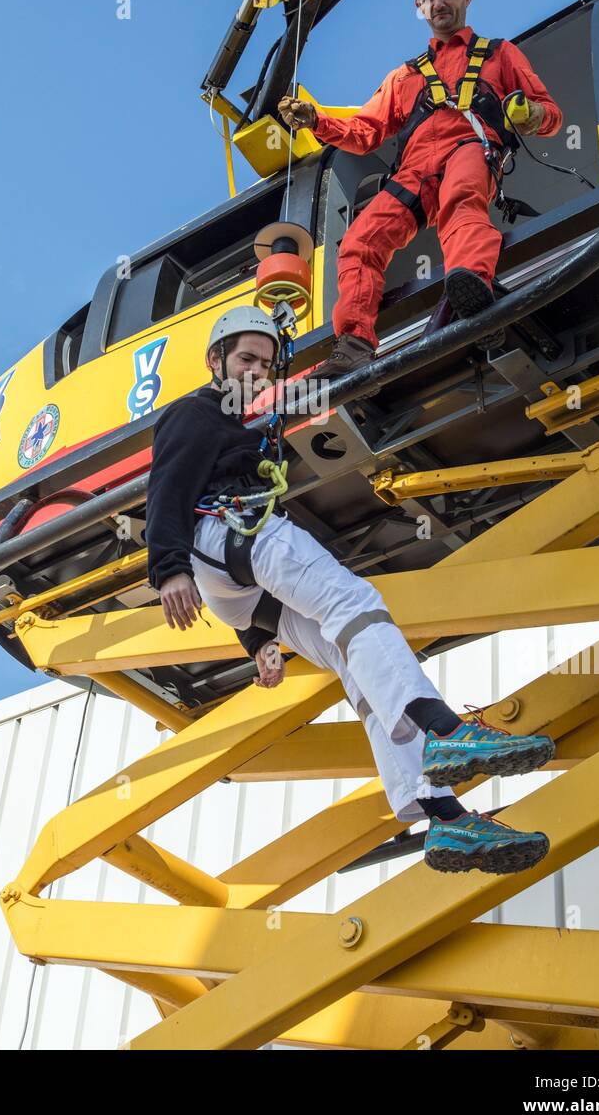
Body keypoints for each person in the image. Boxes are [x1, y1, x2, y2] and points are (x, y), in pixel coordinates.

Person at [144, 304, 554, 875]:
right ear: (215, 360)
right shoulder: (193, 413)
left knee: (348, 656)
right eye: (244, 360)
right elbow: (165, 486)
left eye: (263, 365)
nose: (254, 373)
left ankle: (445, 817)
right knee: (355, 605)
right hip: (231, 529)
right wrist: (168, 568)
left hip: (235, 577)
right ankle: (445, 730)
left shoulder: (244, 419)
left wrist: (255, 640)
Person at [278, 0, 563, 368]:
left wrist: (533, 115)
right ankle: (354, 345)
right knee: (360, 241)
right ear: (418, 7)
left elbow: (549, 112)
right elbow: (364, 132)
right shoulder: (404, 77)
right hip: (414, 171)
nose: (438, 4)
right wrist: (315, 120)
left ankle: (472, 286)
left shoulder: (500, 55)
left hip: (470, 146)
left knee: (462, 200)